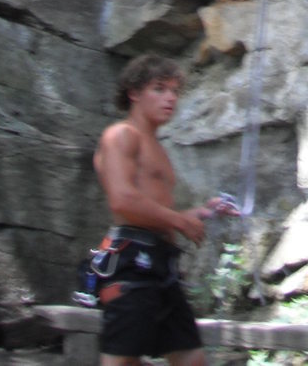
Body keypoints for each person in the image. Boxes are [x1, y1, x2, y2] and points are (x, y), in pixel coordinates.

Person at [92, 53, 236, 366]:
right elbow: (122, 200)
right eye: (159, 89)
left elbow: (155, 212)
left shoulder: (157, 147)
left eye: (174, 91)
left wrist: (202, 212)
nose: (170, 98)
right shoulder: (121, 135)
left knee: (191, 358)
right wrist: (179, 221)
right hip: (131, 262)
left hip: (162, 264)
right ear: (134, 93)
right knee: (121, 360)